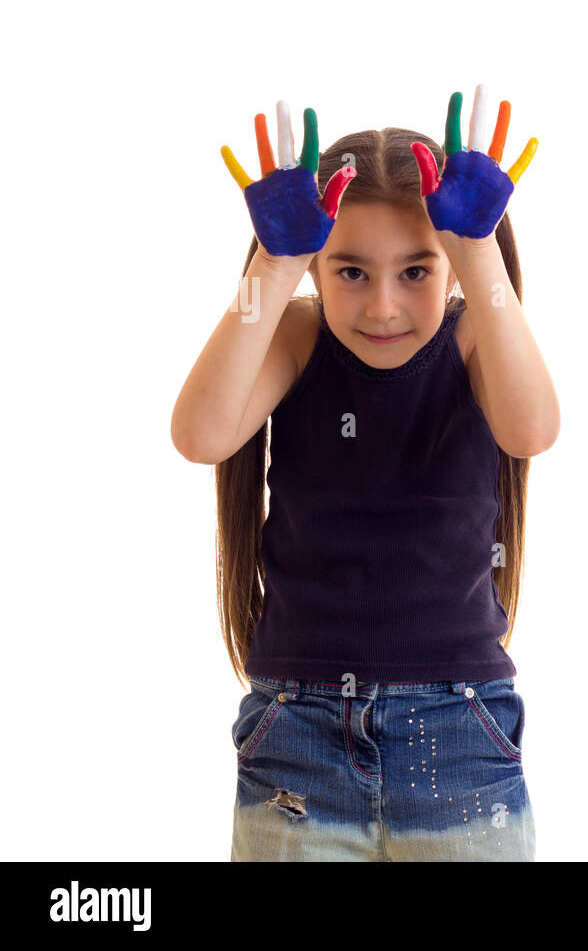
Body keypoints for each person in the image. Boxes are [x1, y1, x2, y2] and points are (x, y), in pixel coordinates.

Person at [172, 87, 557, 860]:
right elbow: (201, 433)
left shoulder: (475, 337)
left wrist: (478, 254)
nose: (384, 306)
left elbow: (533, 428)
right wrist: (274, 266)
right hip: (299, 731)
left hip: (459, 729)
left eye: (417, 270)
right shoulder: (298, 332)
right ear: (317, 264)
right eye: (350, 271)